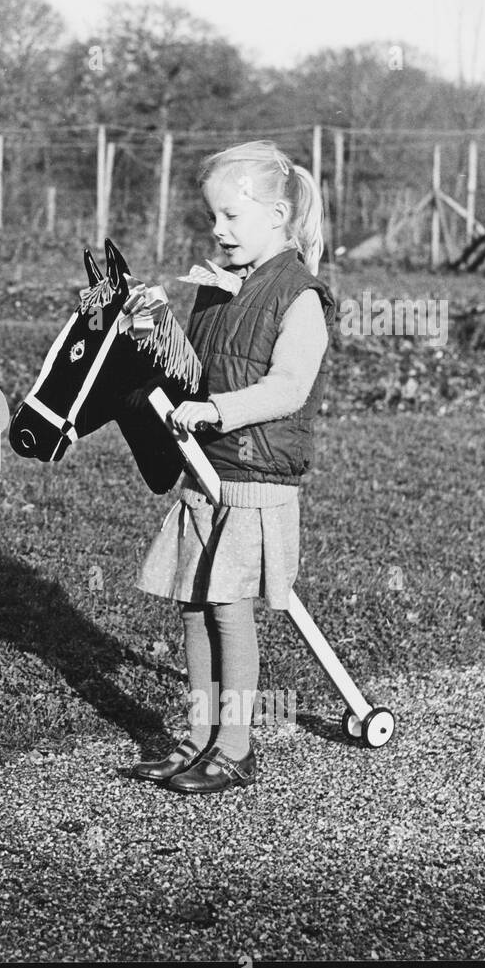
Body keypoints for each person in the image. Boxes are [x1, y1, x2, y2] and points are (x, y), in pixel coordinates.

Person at [131, 140, 335, 794]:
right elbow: (192, 366)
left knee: (227, 607)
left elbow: (287, 389)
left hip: (253, 478)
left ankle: (237, 747)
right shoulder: (218, 289)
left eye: (231, 218)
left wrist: (216, 411)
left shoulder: (299, 296)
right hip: (205, 472)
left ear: (276, 215)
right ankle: (197, 737)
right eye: (213, 218)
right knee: (193, 606)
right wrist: (151, 329)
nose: (218, 231)